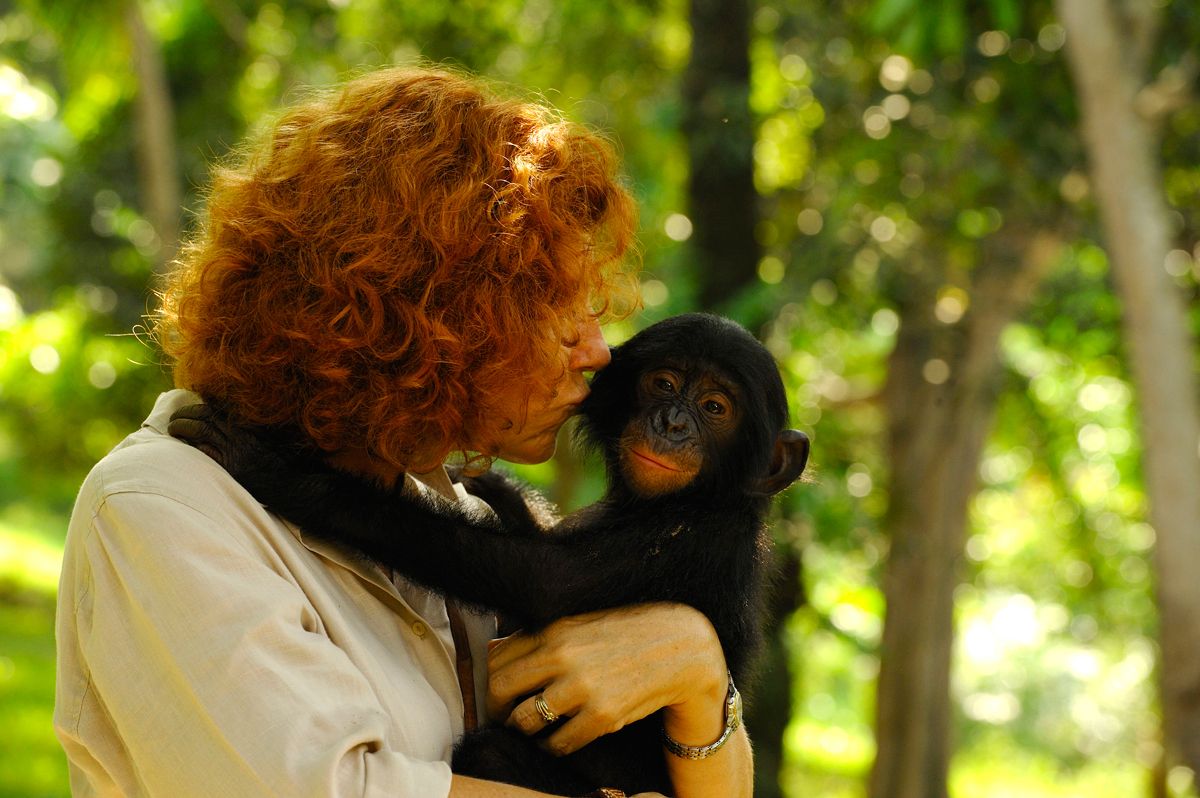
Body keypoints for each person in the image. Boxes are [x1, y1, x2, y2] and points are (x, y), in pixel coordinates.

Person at [54, 65, 753, 798]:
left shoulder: (451, 512)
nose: (600, 351)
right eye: (558, 310)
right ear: (436, 317)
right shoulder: (164, 507)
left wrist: (700, 674)